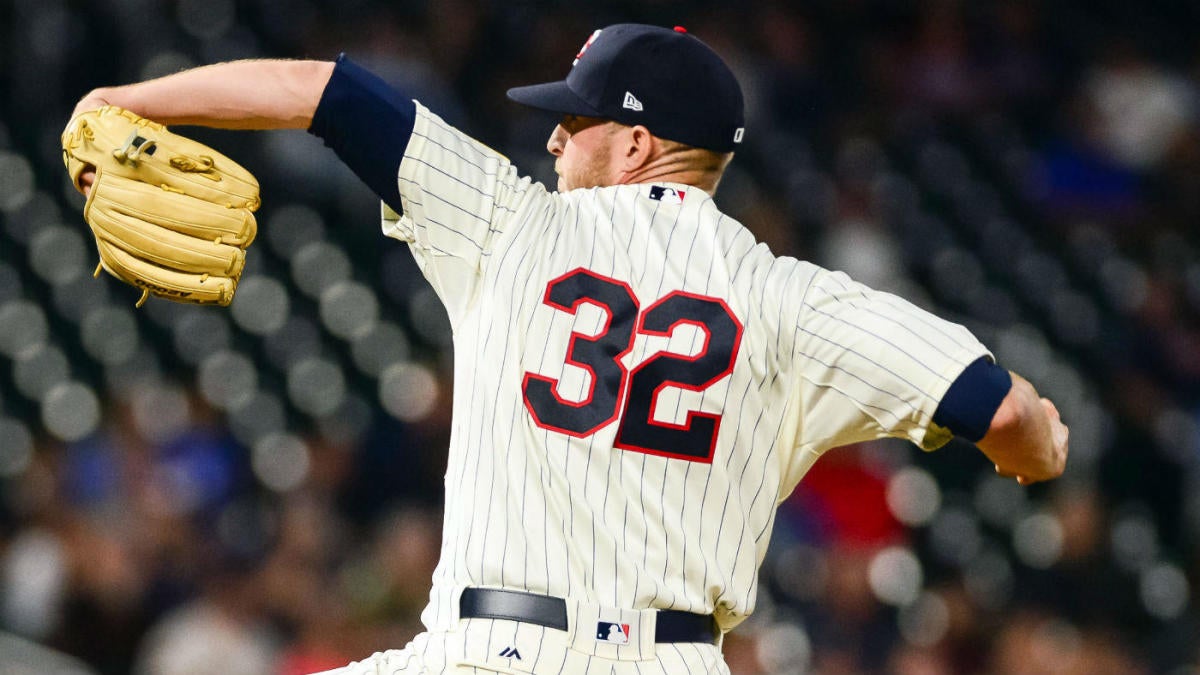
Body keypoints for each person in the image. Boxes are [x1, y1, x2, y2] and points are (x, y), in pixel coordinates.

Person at [68, 23, 1068, 675]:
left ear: (634, 145)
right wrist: (1036, 455)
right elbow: (1012, 413)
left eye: (572, 123)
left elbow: (322, 90)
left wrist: (127, 97)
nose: (551, 143)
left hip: (488, 652)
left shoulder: (516, 226)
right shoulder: (792, 299)